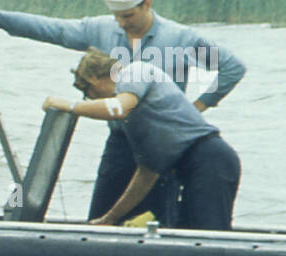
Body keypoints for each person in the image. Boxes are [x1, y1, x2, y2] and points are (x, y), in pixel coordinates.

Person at [0, 0, 246, 222]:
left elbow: (232, 68)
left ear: (147, 4)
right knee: (102, 215)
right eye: (116, 17)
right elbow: (52, 29)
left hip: (165, 145)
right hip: (122, 141)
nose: (122, 24)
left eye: (128, 16)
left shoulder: (180, 40)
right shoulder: (101, 30)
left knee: (157, 219)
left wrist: (196, 107)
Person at [42, 48, 241, 230]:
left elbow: (118, 108)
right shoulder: (136, 121)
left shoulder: (133, 72)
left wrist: (69, 106)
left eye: (88, 93)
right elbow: (147, 174)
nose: (92, 100)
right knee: (182, 229)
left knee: (209, 231)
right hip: (188, 168)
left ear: (94, 79)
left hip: (211, 160)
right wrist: (110, 218)